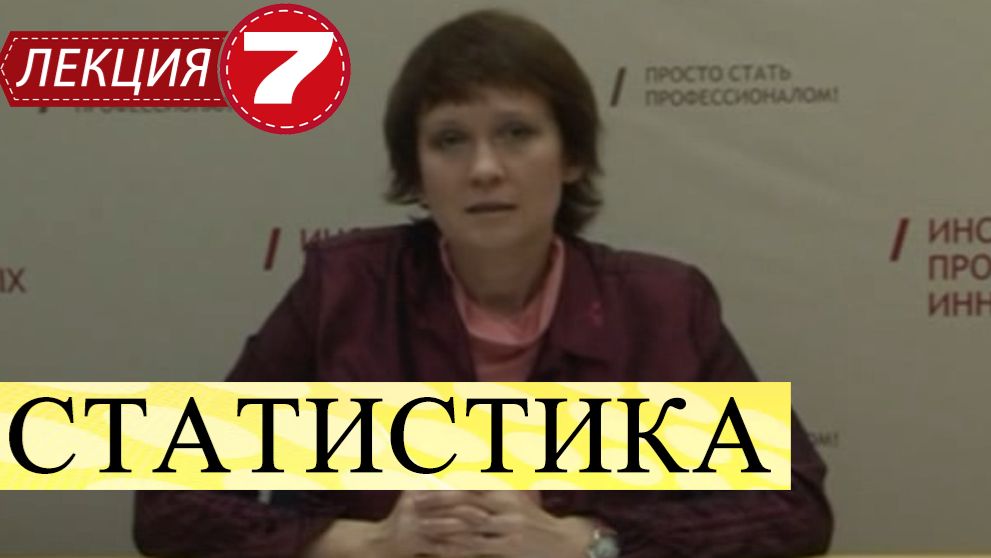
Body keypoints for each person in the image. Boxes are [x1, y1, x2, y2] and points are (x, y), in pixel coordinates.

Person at [133, 9, 832, 558]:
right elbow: (167, 505)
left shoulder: (662, 307)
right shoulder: (345, 290)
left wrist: (588, 543)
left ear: (571, 157)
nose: (485, 169)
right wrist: (368, 543)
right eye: (449, 140)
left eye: (516, 132)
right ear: (415, 171)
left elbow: (794, 509)